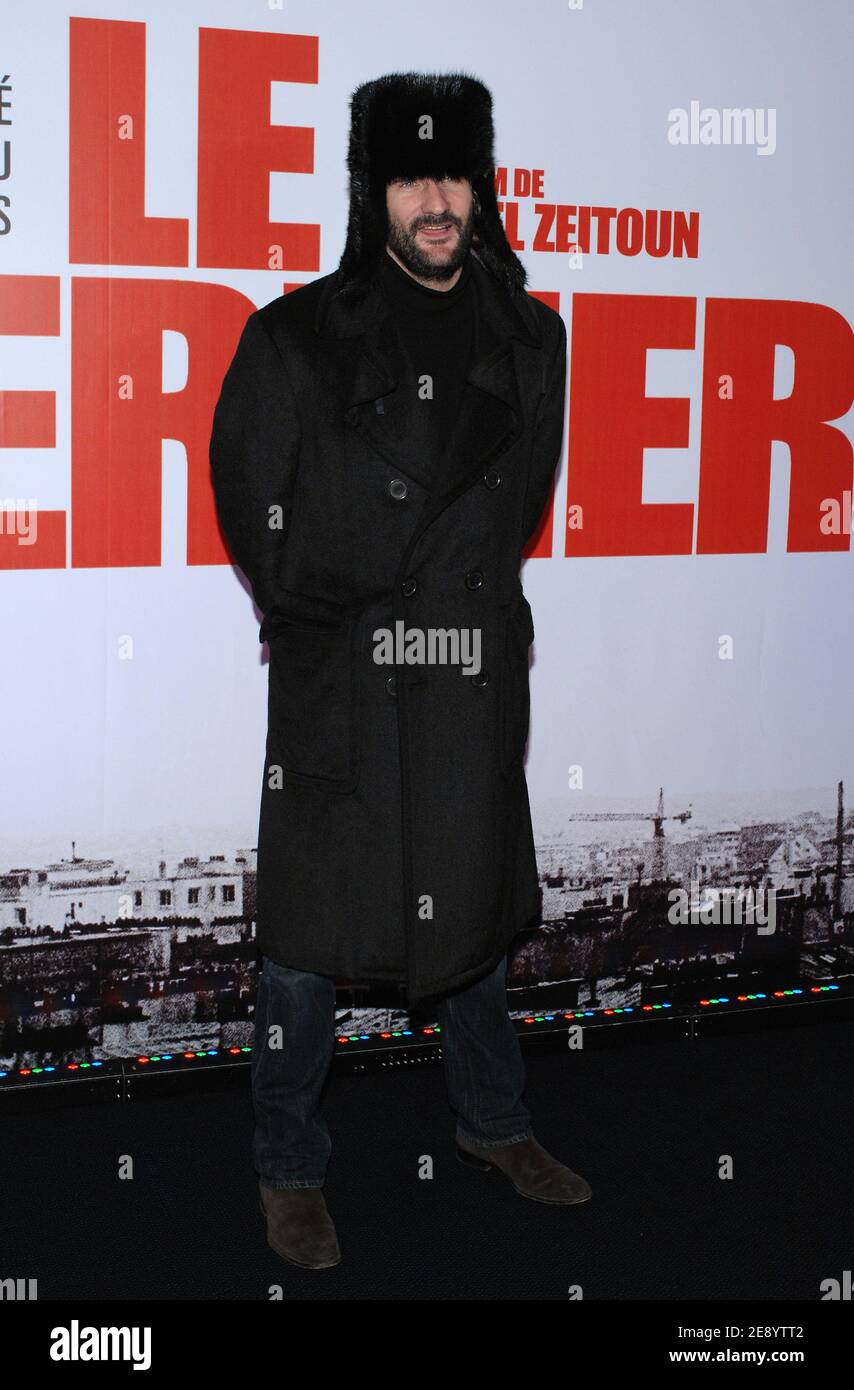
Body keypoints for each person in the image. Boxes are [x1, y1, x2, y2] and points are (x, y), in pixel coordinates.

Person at [209, 71, 591, 1271]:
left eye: (454, 174)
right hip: (343, 688)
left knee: (470, 923)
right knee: (306, 946)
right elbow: (246, 504)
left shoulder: (533, 340)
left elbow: (513, 509)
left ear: (480, 187)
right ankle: (287, 1165)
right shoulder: (290, 337)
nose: (436, 199)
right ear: (370, 191)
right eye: (411, 175)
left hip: (468, 675)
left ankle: (493, 1125)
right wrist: (330, 621)